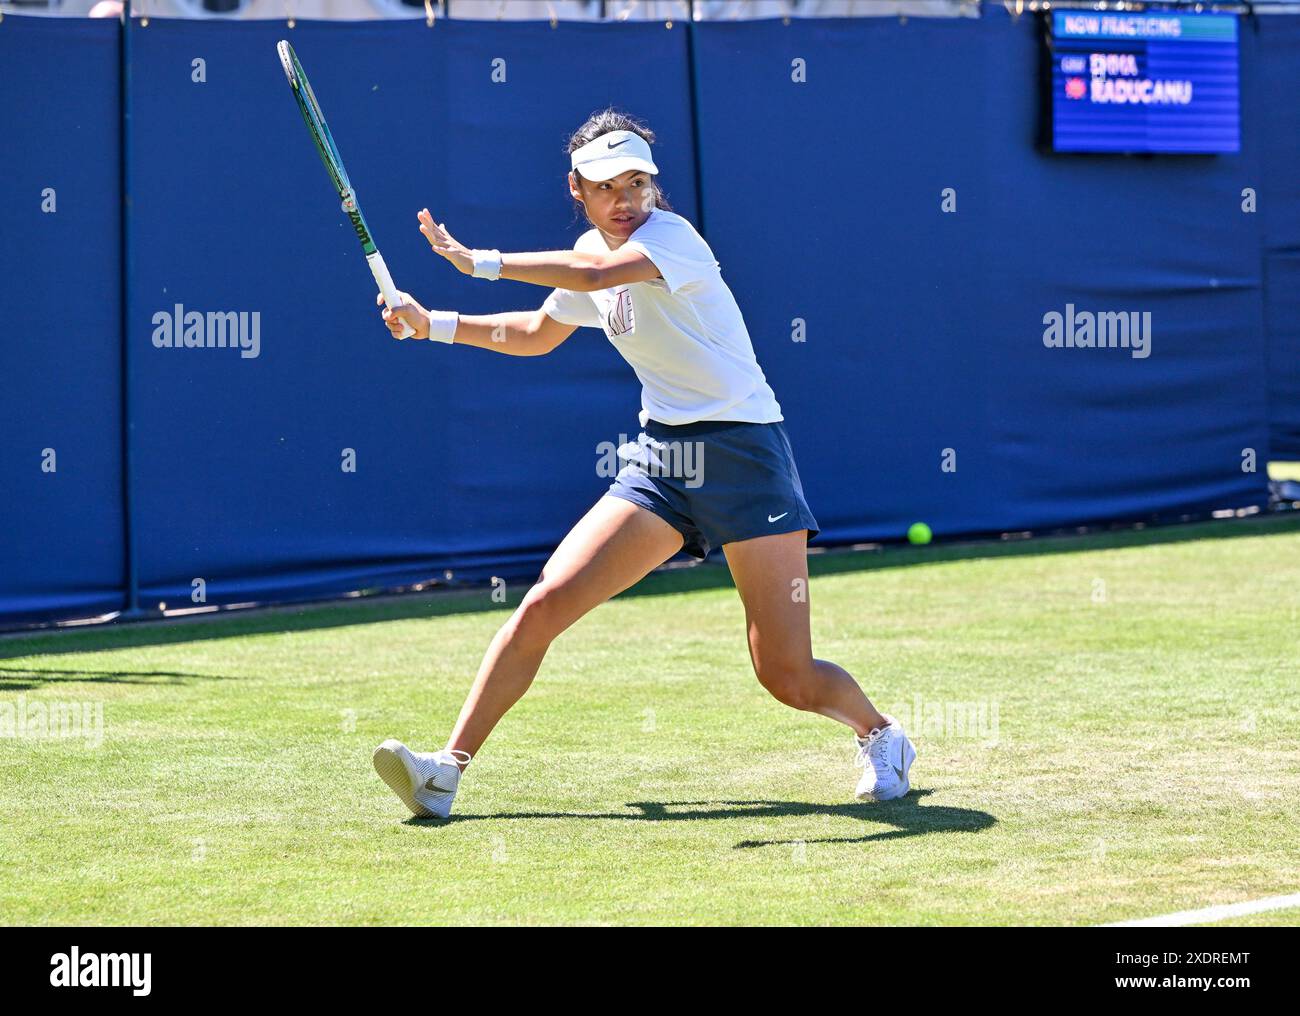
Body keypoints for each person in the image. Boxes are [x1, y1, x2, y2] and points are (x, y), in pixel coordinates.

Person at [371, 108, 915, 819]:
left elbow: (597, 272)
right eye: (606, 187)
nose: (625, 200)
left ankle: (880, 734)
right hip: (664, 459)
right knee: (544, 603)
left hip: (745, 455)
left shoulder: (670, 239)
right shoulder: (588, 255)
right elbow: (535, 333)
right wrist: (433, 324)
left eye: (637, 183)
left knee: (785, 674)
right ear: (577, 189)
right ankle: (445, 772)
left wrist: (482, 262)